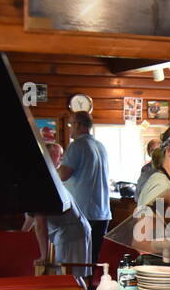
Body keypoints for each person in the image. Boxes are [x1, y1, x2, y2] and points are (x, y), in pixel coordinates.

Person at [24, 141, 92, 280]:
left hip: (71, 232)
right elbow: (32, 216)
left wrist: (44, 256)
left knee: (69, 278)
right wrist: (21, 234)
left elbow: (40, 225)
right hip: (72, 230)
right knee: (72, 277)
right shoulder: (41, 178)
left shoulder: (40, 182)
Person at [57, 111, 110, 264]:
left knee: (77, 261)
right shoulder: (100, 146)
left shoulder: (77, 146)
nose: (70, 128)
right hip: (102, 213)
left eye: (71, 124)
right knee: (93, 259)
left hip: (82, 213)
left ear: (78, 125)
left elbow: (62, 175)